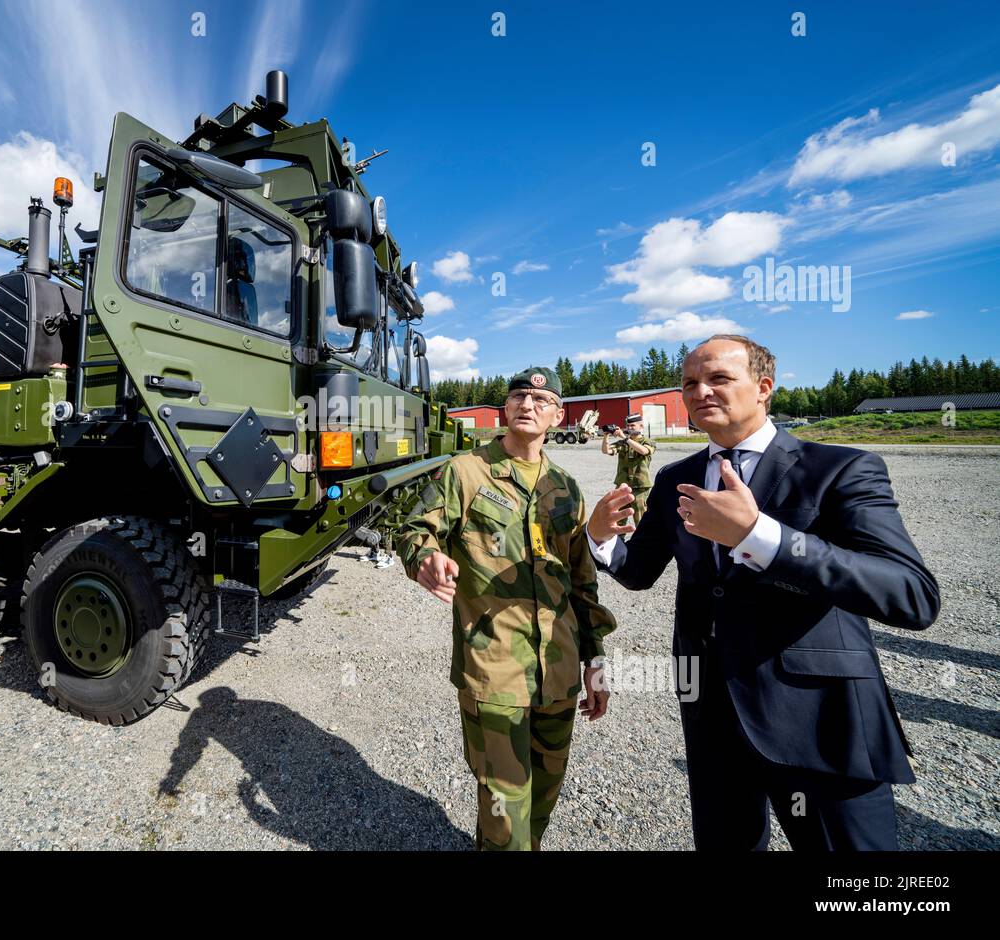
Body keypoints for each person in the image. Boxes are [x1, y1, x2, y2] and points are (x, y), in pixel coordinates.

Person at [587, 335, 939, 850]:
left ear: (764, 388)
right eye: (689, 383)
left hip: (815, 717)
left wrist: (761, 537)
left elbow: (911, 594)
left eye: (719, 379)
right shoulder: (675, 479)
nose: (700, 391)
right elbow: (639, 572)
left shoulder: (839, 469)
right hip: (711, 711)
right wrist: (600, 536)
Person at [397, 367, 616, 850]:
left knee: (543, 796)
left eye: (541, 400)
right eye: (519, 396)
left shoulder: (565, 486)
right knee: (504, 803)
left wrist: (594, 660)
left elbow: (583, 580)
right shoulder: (465, 472)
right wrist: (425, 559)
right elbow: (414, 529)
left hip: (558, 672)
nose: (528, 405)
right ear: (505, 408)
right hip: (495, 671)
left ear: (559, 415)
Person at [601, 412, 656, 524]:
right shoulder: (623, 443)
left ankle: (641, 541)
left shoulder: (648, 442)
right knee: (619, 518)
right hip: (622, 485)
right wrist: (606, 435)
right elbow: (606, 451)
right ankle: (619, 541)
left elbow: (643, 451)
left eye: (633, 426)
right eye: (628, 426)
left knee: (640, 519)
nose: (629, 428)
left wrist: (625, 438)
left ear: (641, 426)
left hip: (640, 486)